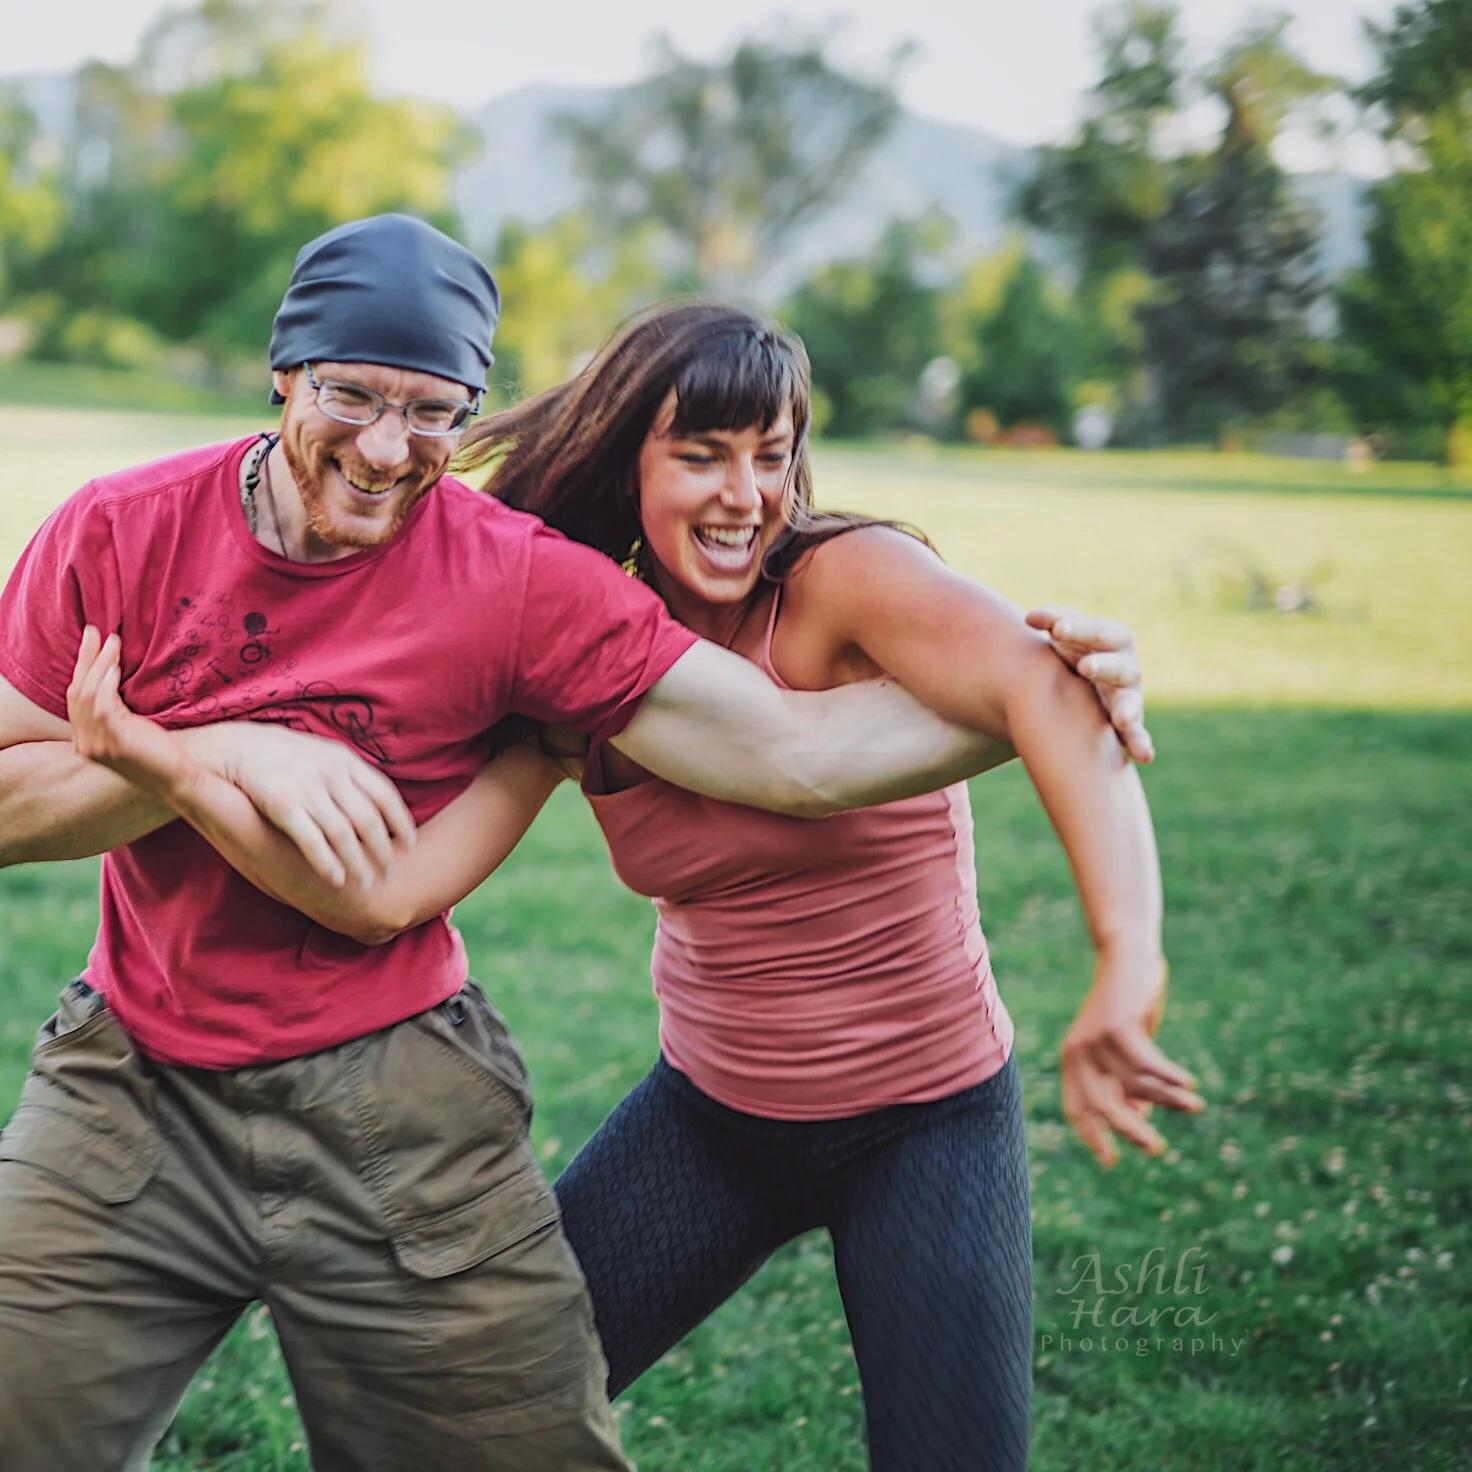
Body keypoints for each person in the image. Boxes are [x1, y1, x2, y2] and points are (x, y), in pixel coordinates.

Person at [0, 218, 1141, 1472]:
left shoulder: (559, 587)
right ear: (284, 376)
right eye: (350, 395)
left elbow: (799, 756)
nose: (386, 446)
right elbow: (50, 809)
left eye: (431, 409)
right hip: (180, 1082)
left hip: (499, 1105)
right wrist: (218, 749)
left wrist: (1051, 694)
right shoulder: (128, 534)